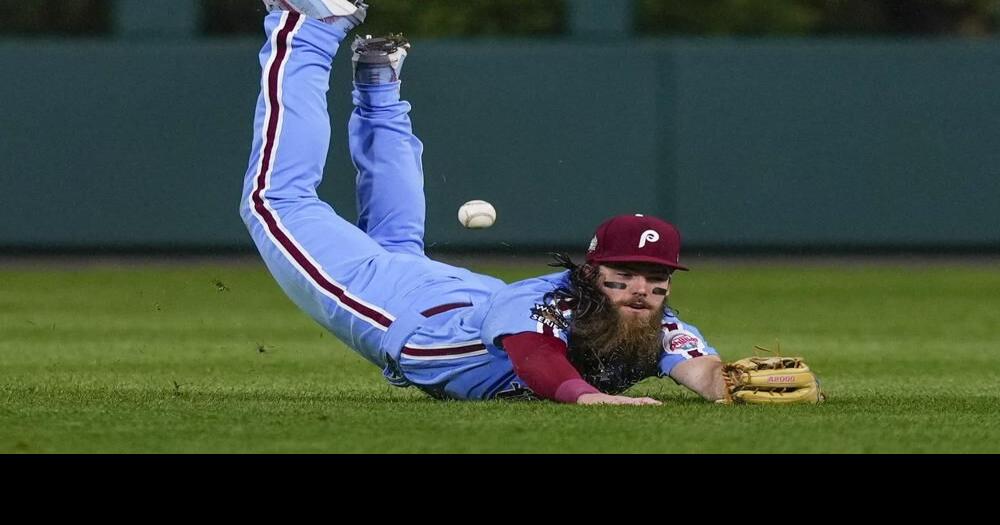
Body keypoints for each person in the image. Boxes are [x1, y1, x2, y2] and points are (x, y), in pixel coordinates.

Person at [241, 0, 728, 405]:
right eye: (624, 275)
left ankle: (378, 79)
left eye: (655, 277)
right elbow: (538, 357)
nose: (641, 288)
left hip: (456, 298)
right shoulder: (545, 303)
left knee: (396, 241)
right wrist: (587, 397)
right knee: (276, 199)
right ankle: (307, 26)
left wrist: (726, 387)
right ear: (590, 274)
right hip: (403, 309)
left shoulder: (658, 324)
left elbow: (698, 365)